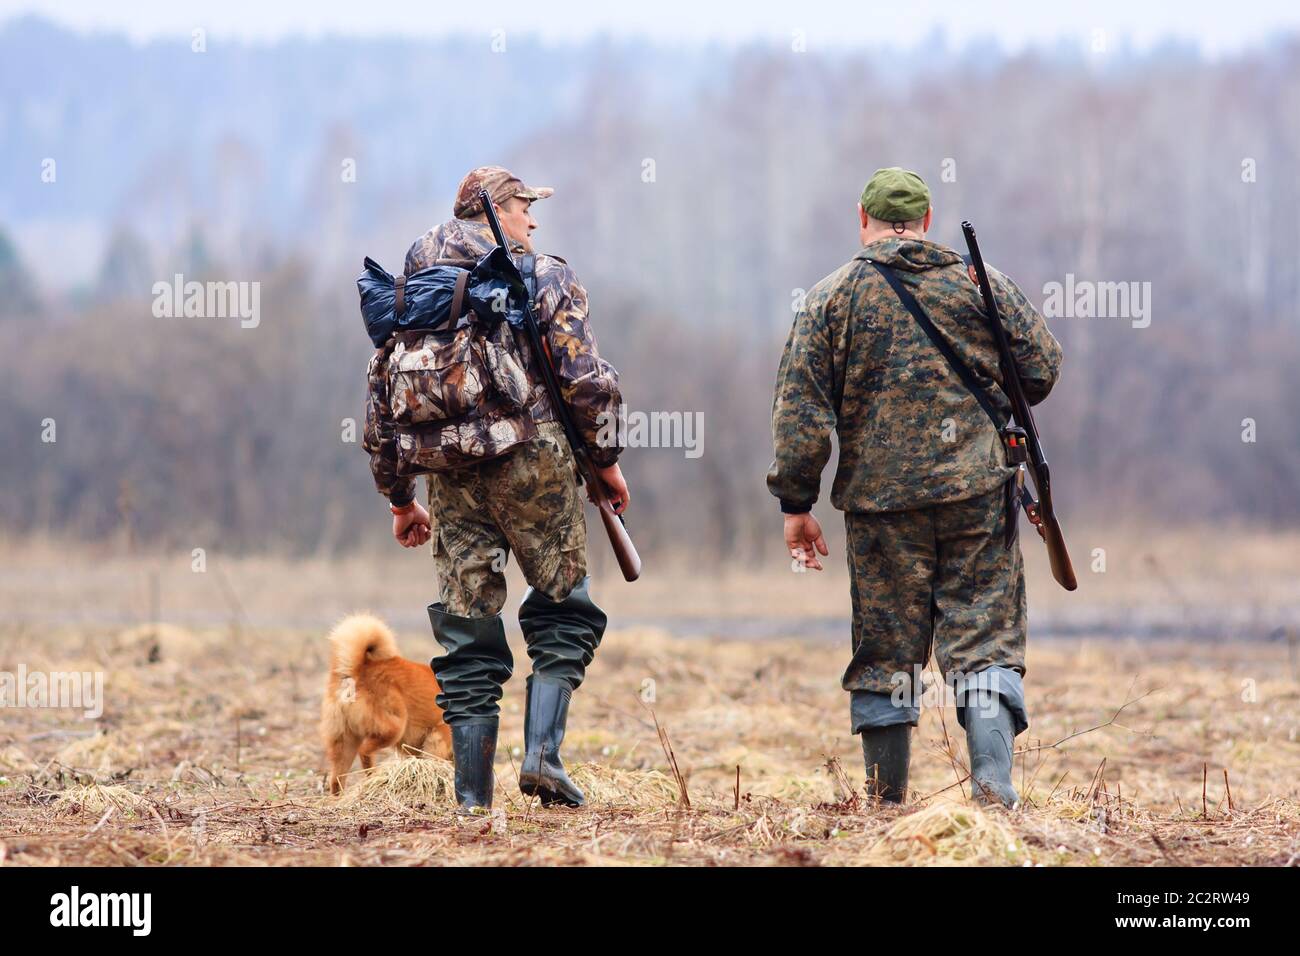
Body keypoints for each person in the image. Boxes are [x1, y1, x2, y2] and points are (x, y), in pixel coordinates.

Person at [767, 167, 1063, 806]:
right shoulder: (982, 285)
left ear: (862, 216)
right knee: (983, 640)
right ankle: (992, 787)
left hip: (881, 509)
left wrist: (797, 502)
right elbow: (1041, 371)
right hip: (978, 498)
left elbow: (799, 411)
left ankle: (884, 806)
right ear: (928, 220)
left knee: (886, 652)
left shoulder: (830, 298)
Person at [365, 165, 629, 811]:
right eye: (522, 207)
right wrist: (605, 460)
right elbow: (586, 380)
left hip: (448, 470)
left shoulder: (412, 290)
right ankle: (541, 758)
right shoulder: (544, 276)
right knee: (565, 606)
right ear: (493, 213)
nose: (532, 220)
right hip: (532, 459)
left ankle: (472, 801)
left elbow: (380, 401)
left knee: (467, 628)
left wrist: (400, 497)